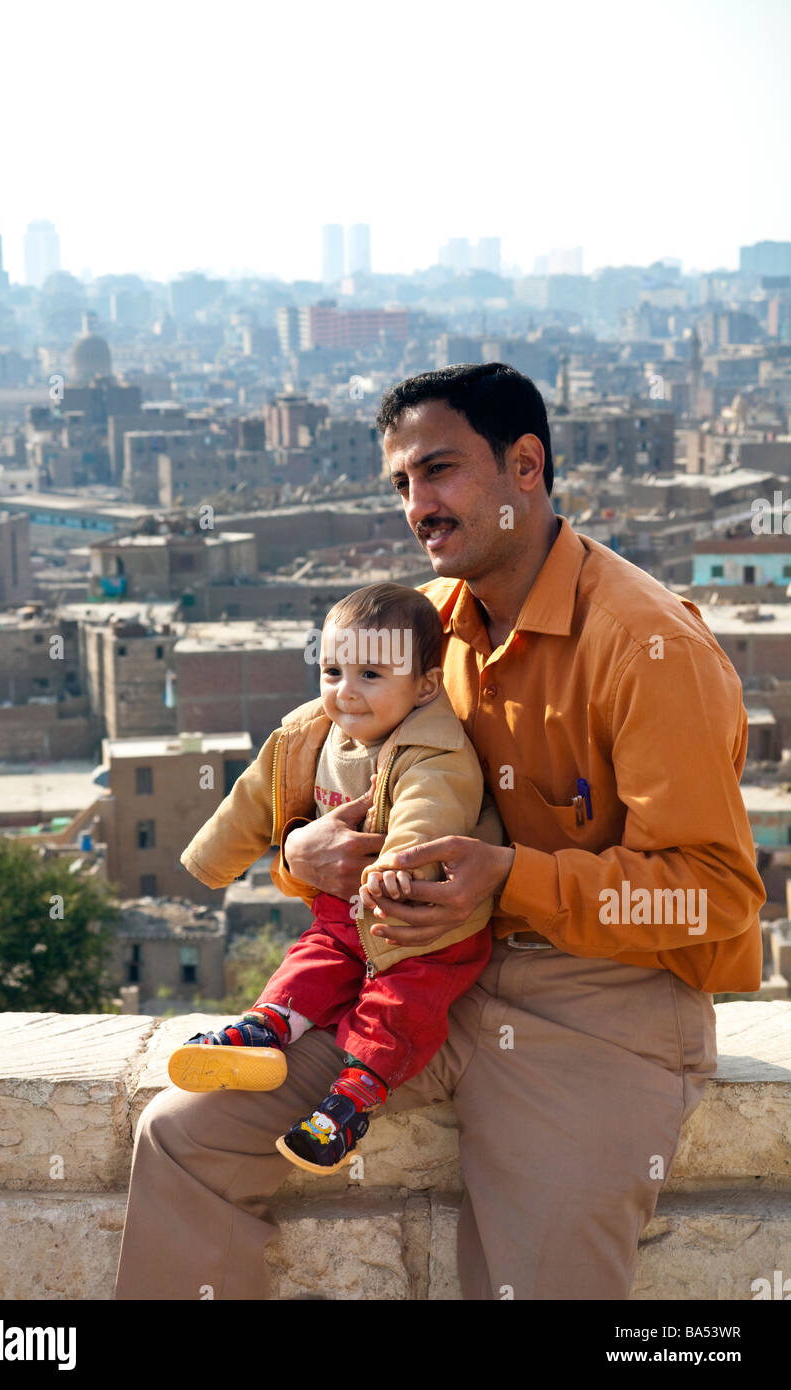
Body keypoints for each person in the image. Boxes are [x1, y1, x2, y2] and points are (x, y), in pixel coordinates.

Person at [114, 362, 763, 1301]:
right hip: (419, 975)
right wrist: (301, 855)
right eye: (402, 483)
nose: (419, 503)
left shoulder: (645, 647)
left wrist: (508, 877)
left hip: (603, 1007)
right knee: (185, 1133)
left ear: (527, 465)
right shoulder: (422, 634)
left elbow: (714, 891)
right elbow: (314, 774)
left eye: (442, 470)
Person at [167, 581, 501, 1172]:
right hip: (342, 913)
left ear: (425, 684)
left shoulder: (435, 748)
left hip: (423, 928)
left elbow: (429, 813)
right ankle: (269, 1025)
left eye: (371, 675)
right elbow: (254, 796)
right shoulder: (308, 735)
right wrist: (210, 861)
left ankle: (351, 1100)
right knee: (314, 960)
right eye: (331, 671)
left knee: (400, 1005)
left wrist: (395, 870)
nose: (346, 692)